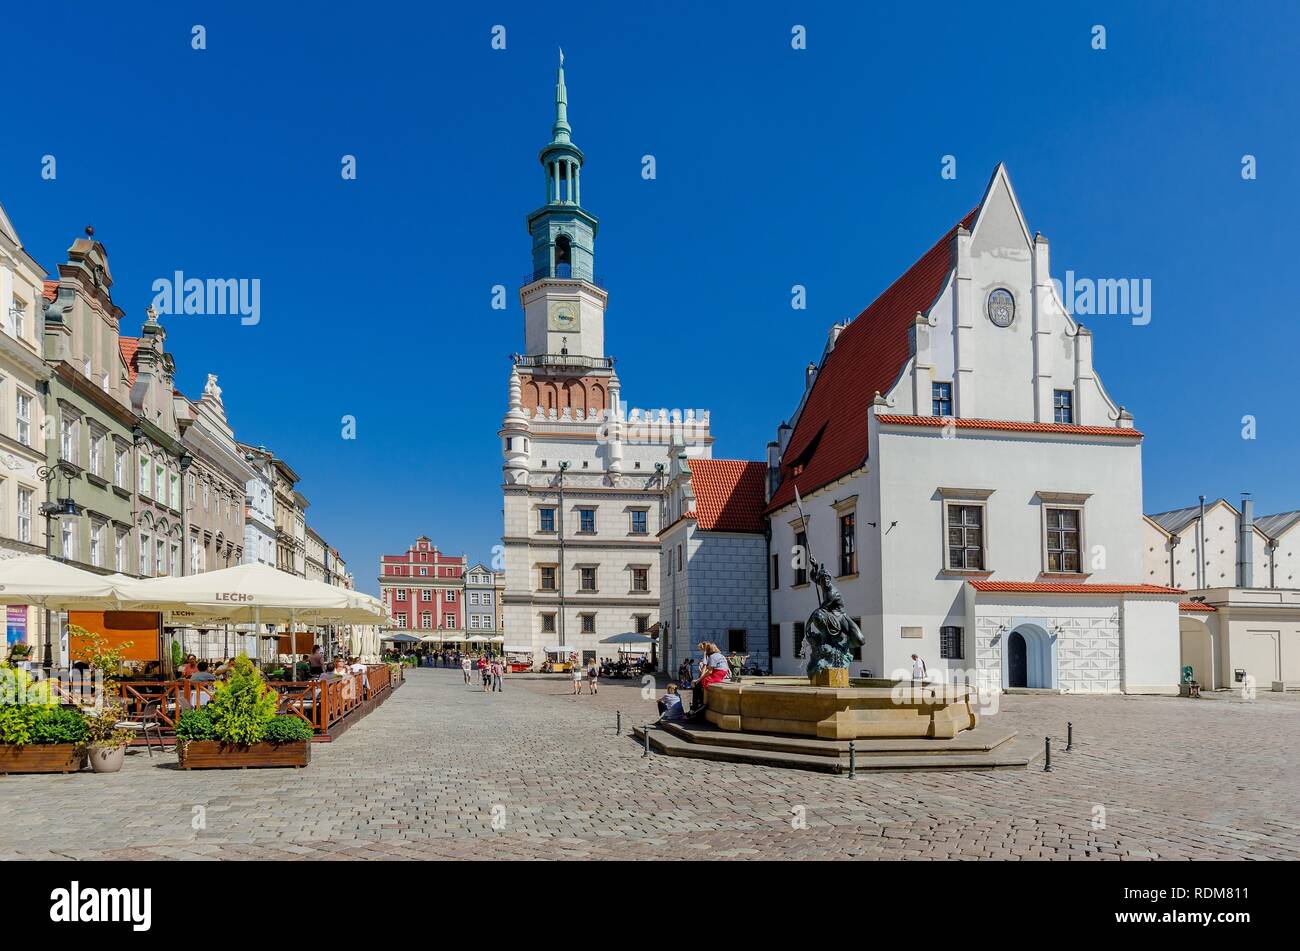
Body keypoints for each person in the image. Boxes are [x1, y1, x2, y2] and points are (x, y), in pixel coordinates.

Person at [689, 641, 731, 715]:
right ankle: (699, 704)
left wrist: (699, 679)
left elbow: (709, 672)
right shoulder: (720, 655)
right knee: (699, 683)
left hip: (718, 673)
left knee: (698, 685)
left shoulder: (712, 656)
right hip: (723, 673)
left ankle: (697, 706)